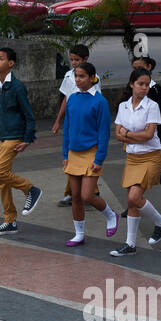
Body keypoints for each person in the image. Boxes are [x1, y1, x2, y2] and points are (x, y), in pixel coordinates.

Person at [111, 67, 161, 256]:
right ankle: (130, 244)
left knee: (134, 197)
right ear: (132, 84)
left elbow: (149, 134)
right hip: (132, 156)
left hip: (150, 156)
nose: (144, 88)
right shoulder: (123, 106)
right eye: (140, 84)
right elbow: (117, 135)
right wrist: (131, 136)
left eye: (147, 84)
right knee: (132, 203)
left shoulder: (152, 105)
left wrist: (127, 134)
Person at [61, 61, 117, 246]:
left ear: (92, 78)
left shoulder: (100, 101)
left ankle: (110, 215)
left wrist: (99, 158)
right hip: (73, 153)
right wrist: (65, 154)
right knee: (75, 196)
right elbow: (67, 127)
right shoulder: (72, 98)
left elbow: (104, 133)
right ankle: (79, 234)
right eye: (76, 76)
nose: (77, 79)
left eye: (82, 76)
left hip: (92, 153)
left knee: (87, 196)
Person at [0, 47, 42, 236]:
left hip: (15, 136)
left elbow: (29, 114)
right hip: (3, 136)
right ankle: (10, 221)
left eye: (1, 59)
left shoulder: (18, 87)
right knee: (2, 180)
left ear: (10, 63)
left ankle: (31, 189)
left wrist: (27, 139)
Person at [54, 44, 102, 206]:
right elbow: (66, 100)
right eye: (72, 60)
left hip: (86, 126)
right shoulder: (69, 76)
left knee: (88, 164)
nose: (73, 63)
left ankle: (91, 193)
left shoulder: (94, 80)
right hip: (73, 123)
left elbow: (96, 102)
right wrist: (58, 120)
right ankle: (73, 194)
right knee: (71, 163)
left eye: (77, 60)